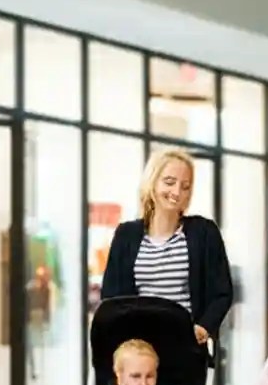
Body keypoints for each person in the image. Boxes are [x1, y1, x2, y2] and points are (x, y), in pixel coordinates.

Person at [99, 148, 233, 345]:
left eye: (185, 186)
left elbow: (222, 292)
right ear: (152, 182)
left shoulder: (204, 232)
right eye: (169, 182)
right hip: (139, 348)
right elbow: (111, 297)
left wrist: (204, 327)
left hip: (186, 346)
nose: (177, 192)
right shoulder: (126, 235)